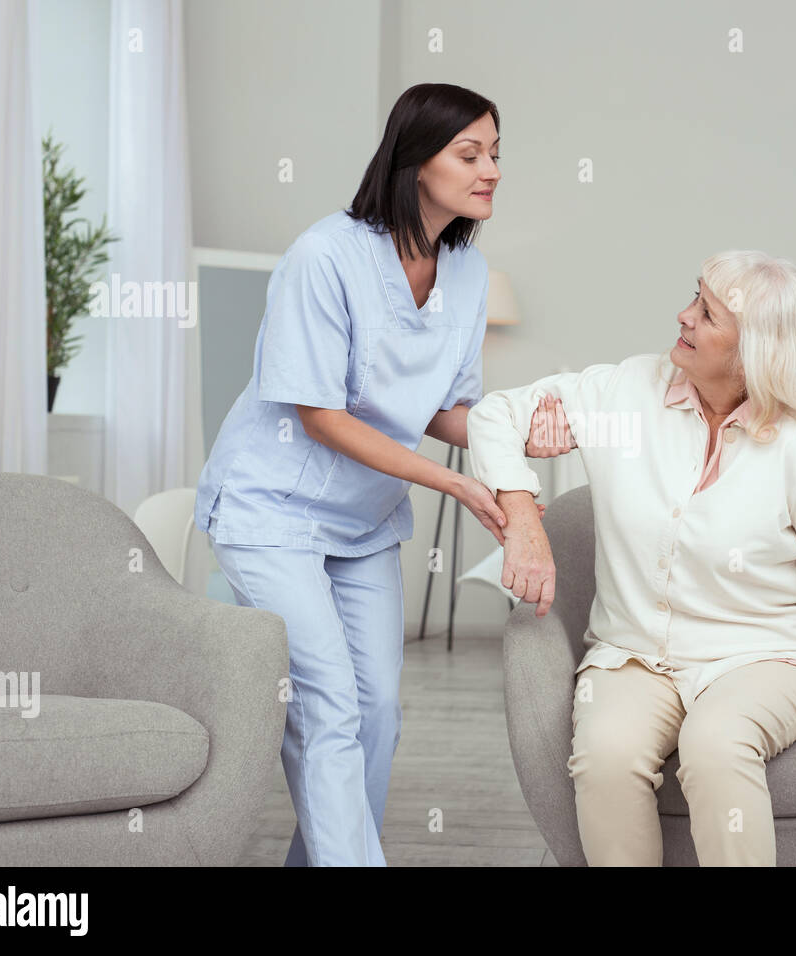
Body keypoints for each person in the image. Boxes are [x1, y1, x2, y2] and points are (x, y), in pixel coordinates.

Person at [193, 83, 551, 866]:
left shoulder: (466, 273)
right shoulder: (325, 256)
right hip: (272, 510)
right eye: (470, 154)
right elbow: (322, 413)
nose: (491, 170)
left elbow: (444, 407)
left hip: (362, 523)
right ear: (415, 161)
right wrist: (456, 483)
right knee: (327, 706)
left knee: (378, 710)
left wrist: (518, 431)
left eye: (495, 154)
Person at [466, 251, 796, 865]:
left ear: (755, 354)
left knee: (716, 745)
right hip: (635, 652)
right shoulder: (626, 392)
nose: (683, 317)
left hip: (765, 655)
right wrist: (524, 519)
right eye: (694, 297)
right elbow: (495, 413)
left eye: (706, 313)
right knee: (605, 756)